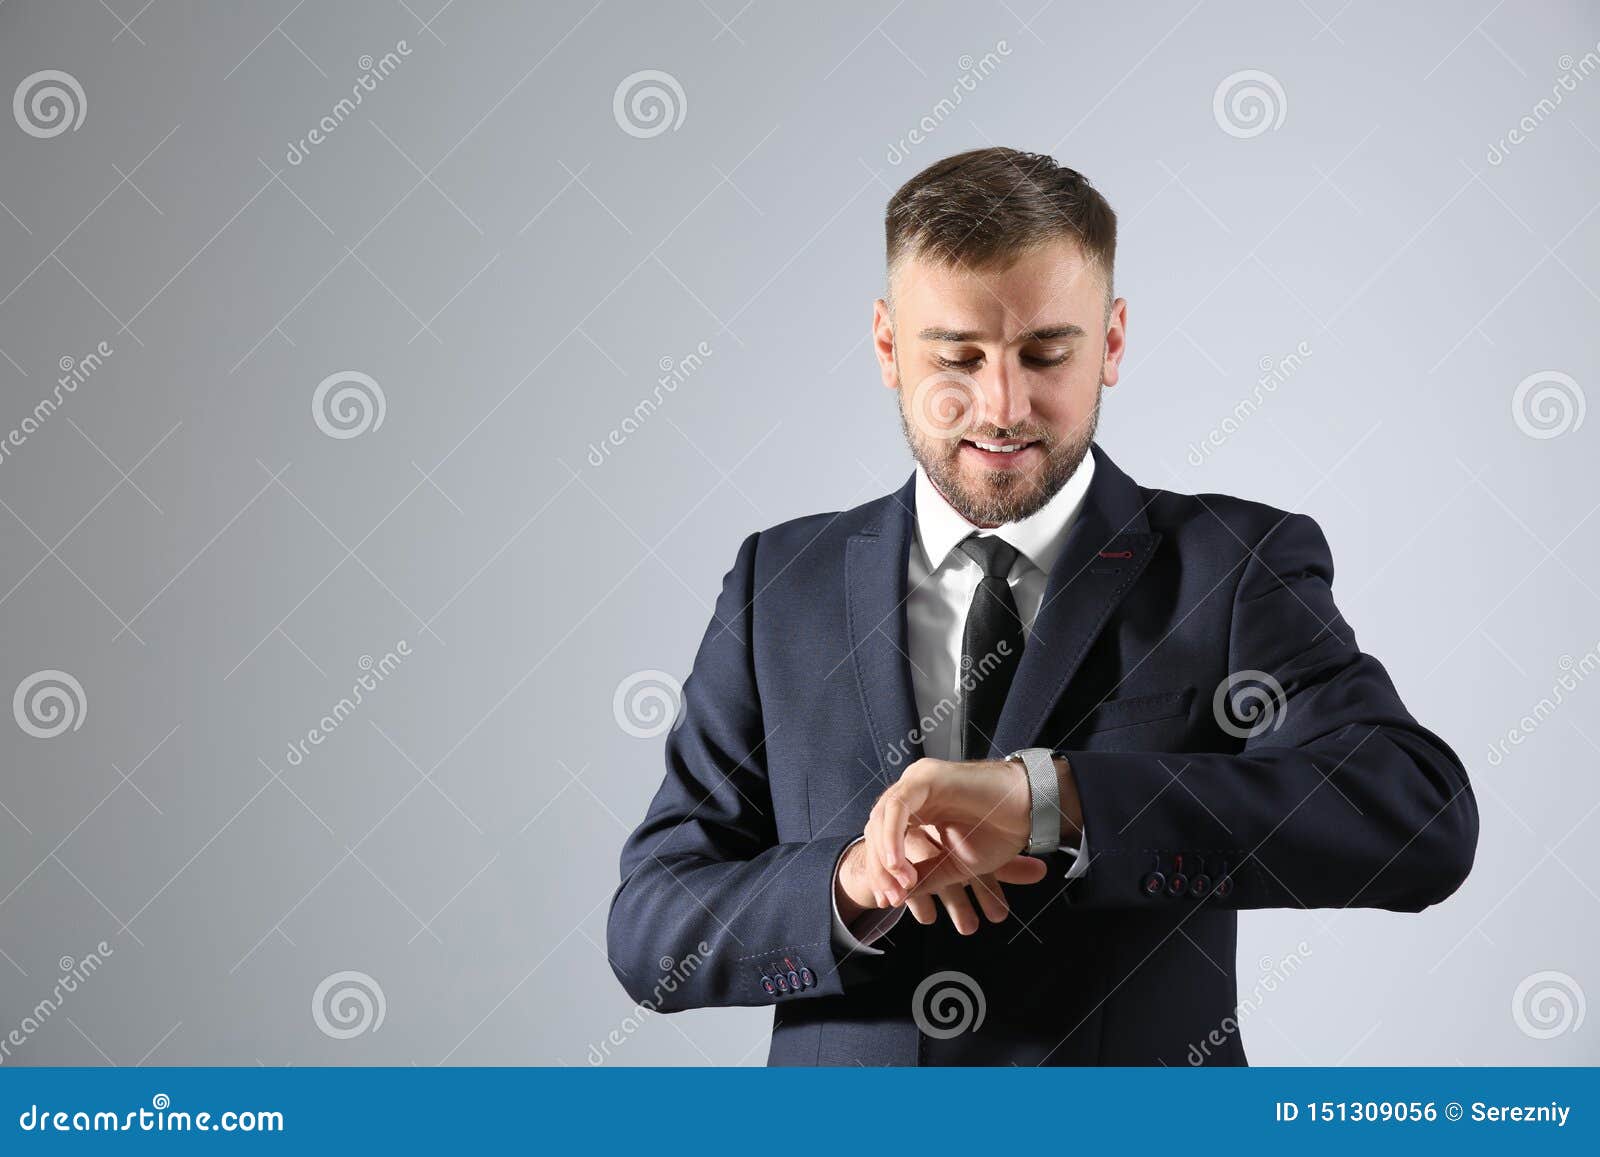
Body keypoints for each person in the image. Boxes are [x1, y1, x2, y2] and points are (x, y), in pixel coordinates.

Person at [606, 146, 1478, 1066]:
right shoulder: (778, 582)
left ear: (1111, 342)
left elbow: (1417, 815)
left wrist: (1053, 801)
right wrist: (848, 883)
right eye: (959, 356)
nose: (1002, 405)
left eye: (1044, 352)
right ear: (887, 346)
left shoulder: (1231, 566)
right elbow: (650, 924)